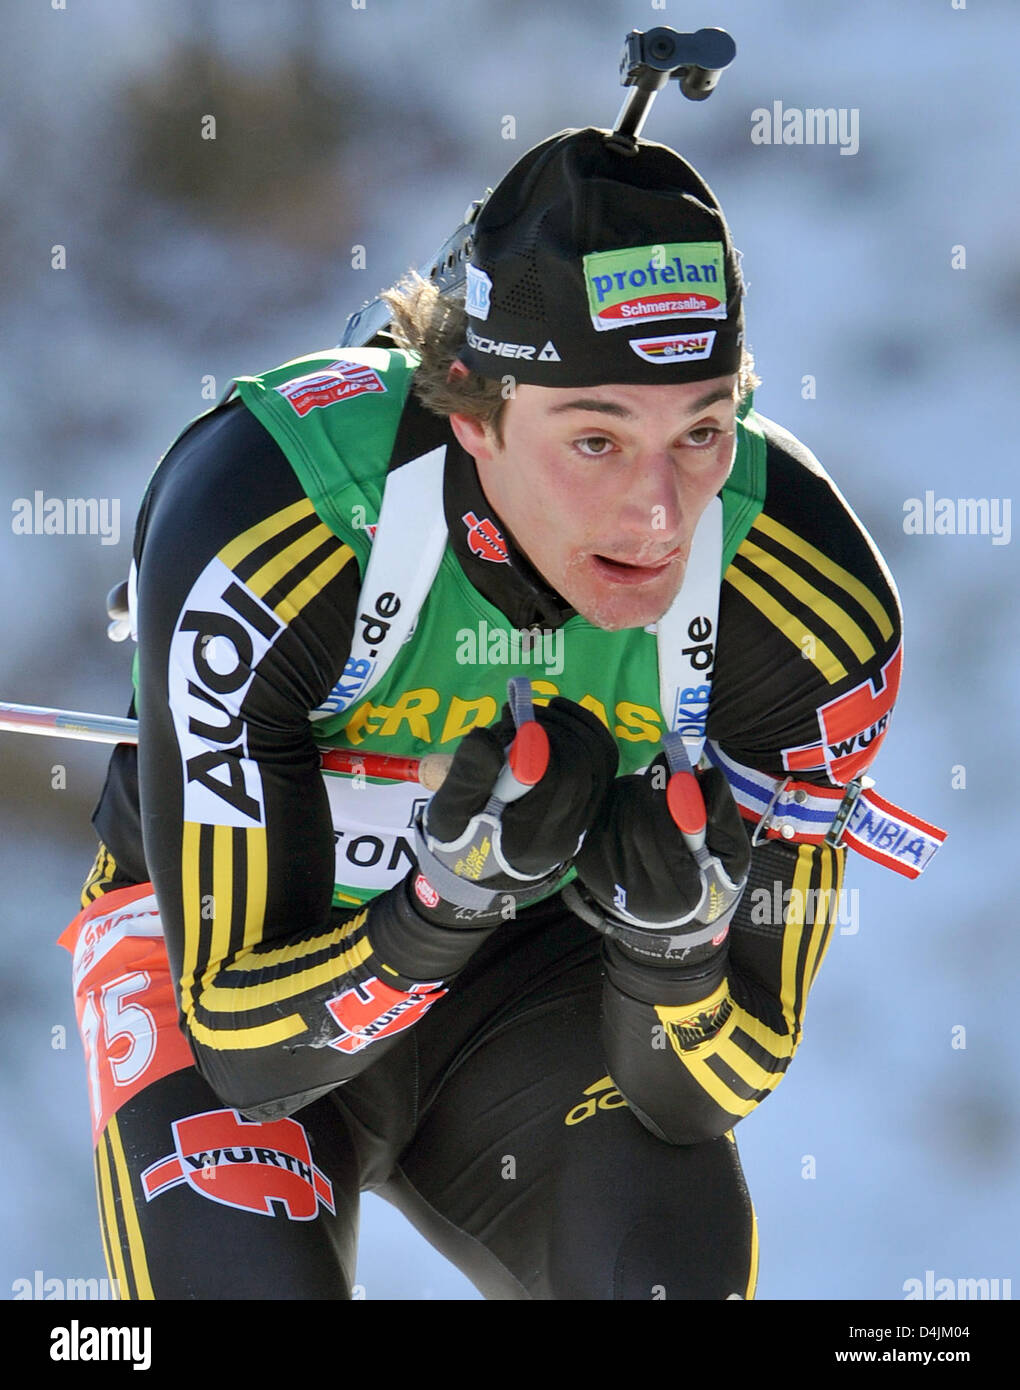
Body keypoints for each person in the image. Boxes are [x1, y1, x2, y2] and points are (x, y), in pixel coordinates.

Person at [61, 126, 940, 1301]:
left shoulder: (809, 606)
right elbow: (243, 1047)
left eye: (702, 432)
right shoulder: (274, 516)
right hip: (253, 960)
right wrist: (443, 900)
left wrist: (668, 957)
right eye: (595, 438)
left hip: (536, 996)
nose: (661, 513)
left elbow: (717, 1082)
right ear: (472, 413)